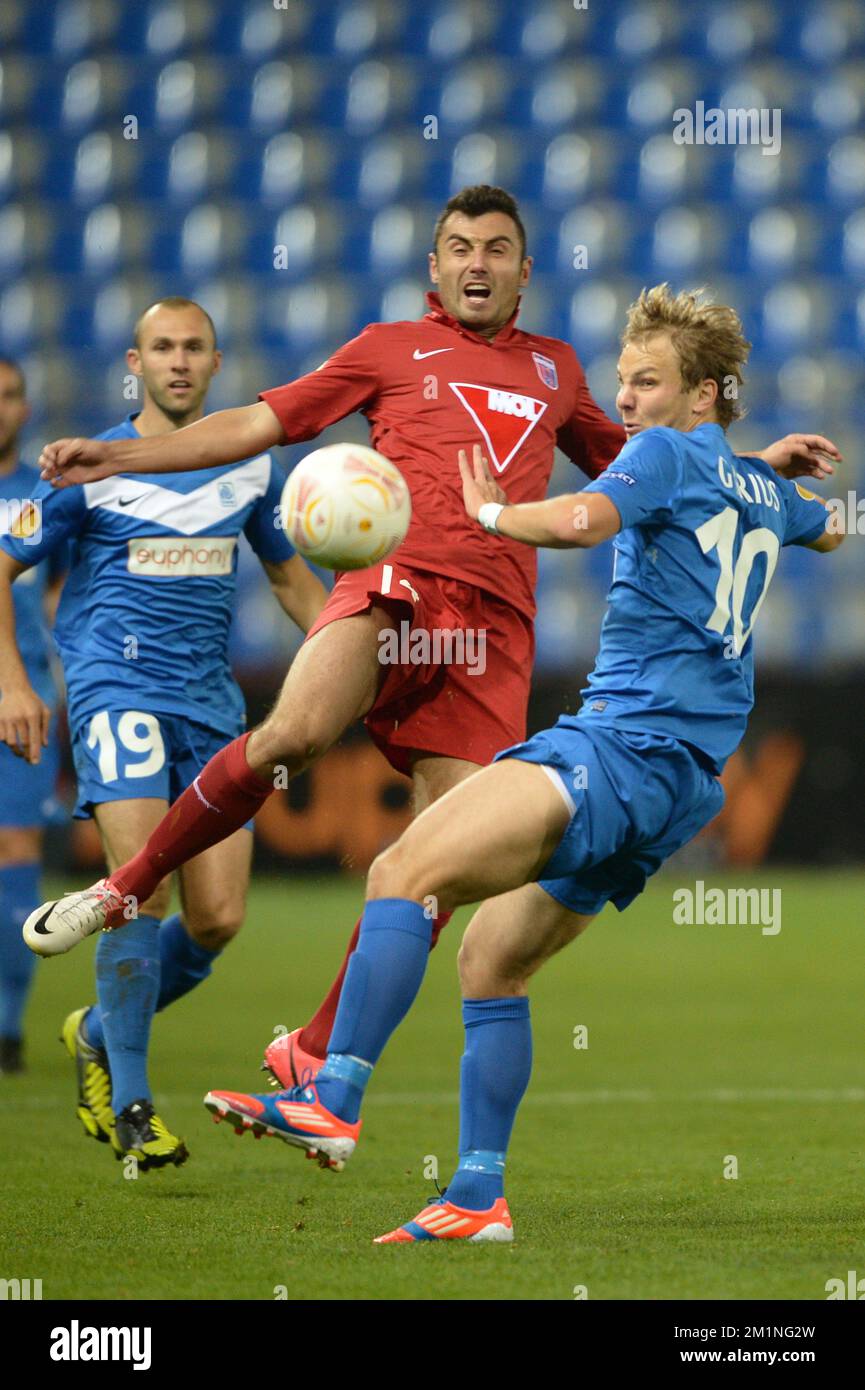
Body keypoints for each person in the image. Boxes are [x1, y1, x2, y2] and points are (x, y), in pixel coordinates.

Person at [24, 188, 837, 1098]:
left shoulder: (558, 372)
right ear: (434, 266)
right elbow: (258, 424)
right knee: (292, 733)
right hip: (393, 581)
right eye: (459, 248)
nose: (477, 264)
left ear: (525, 271)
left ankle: (316, 1049)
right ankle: (124, 887)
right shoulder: (386, 349)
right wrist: (121, 455)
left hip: (490, 630)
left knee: (437, 866)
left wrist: (756, 463)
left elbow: (658, 460)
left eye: (496, 249)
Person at [196, 284, 842, 1242]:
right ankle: (476, 1196)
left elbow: (584, 522)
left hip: (616, 749)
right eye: (621, 380)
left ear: (700, 394)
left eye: (647, 383)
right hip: (681, 788)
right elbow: (826, 526)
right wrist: (770, 475)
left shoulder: (661, 455)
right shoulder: (755, 489)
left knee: (401, 869)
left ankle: (331, 1096)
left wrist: (499, 514)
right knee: (490, 961)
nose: (624, 400)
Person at [0, 299, 326, 1168]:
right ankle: (138, 1108)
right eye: (160, 348)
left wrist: (350, 654)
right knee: (139, 891)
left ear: (217, 364)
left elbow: (292, 579)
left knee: (217, 918)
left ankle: (99, 1033)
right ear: (134, 364)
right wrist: (13, 681)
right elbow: (1, 560)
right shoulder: (88, 469)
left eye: (193, 348)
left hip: (211, 708)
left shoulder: (251, 466)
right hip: (115, 693)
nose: (177, 361)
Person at [0, 358, 65, 1074]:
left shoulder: (40, 498)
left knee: (16, 856)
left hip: (20, 704)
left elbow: (59, 592)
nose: (0, 409)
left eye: (12, 396)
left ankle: (7, 1030)